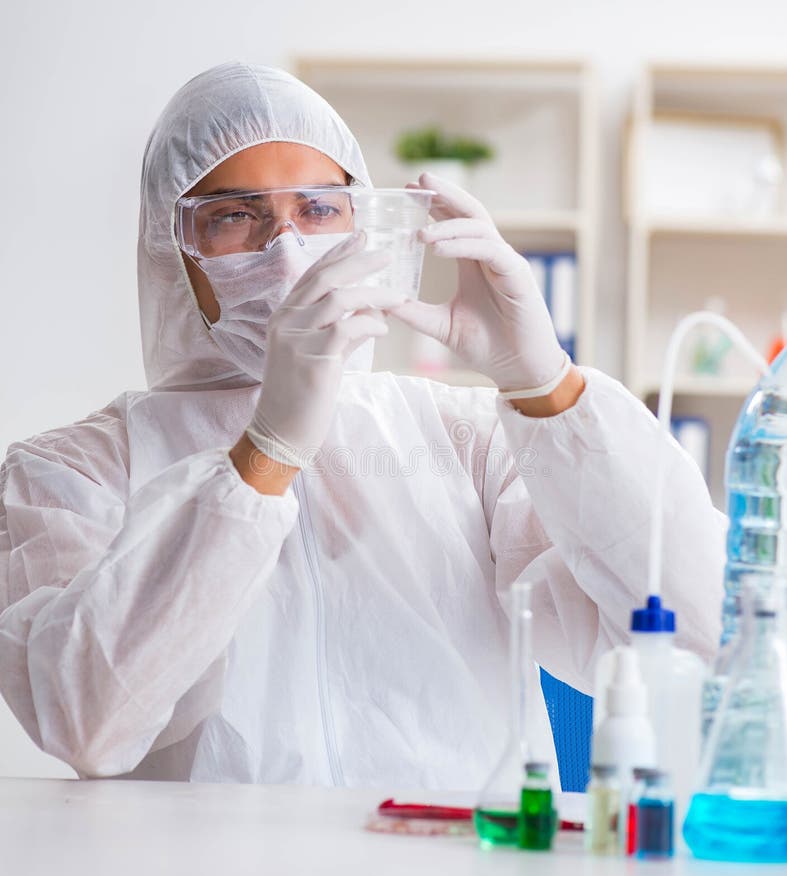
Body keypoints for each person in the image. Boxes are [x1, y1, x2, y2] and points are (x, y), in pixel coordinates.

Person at [0, 63, 724, 786]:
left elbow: (696, 632)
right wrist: (263, 455)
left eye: (318, 210)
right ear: (170, 251)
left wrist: (548, 390)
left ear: (364, 224)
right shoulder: (70, 471)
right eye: (233, 216)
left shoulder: (466, 439)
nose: (285, 250)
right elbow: (86, 723)